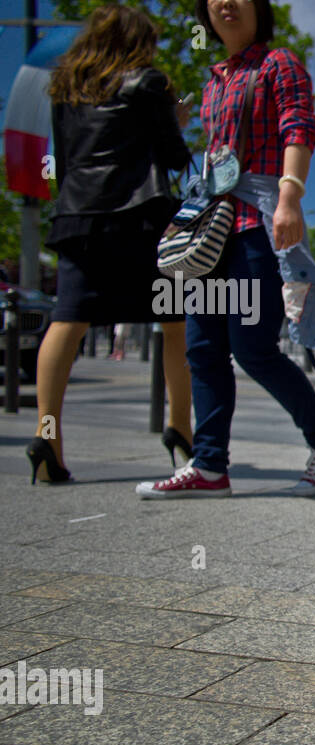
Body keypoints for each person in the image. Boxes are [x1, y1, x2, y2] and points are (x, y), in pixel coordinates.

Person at [137, 0, 315, 498]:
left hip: (257, 219)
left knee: (252, 346)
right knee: (201, 347)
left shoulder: (279, 63)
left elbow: (299, 126)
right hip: (211, 227)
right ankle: (209, 466)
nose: (224, 4)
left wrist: (290, 196)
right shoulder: (213, 80)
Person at [26, 4, 193, 485]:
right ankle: (180, 428)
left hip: (79, 217)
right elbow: (174, 157)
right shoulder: (148, 83)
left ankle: (47, 438)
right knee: (175, 323)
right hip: (140, 217)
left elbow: (64, 157)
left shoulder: (66, 89)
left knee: (67, 321)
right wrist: (176, 118)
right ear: (139, 42)